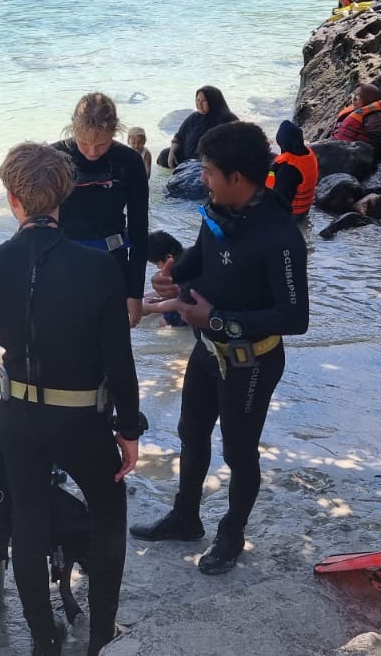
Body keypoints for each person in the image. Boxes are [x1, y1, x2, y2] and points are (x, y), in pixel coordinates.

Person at [0, 142, 141, 656]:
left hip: (21, 419)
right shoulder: (99, 267)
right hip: (85, 419)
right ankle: (101, 634)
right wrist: (129, 429)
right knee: (108, 514)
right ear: (64, 195)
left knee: (29, 521)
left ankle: (44, 636)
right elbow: (119, 363)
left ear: (12, 200)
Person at [131, 121, 309, 576]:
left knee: (239, 451)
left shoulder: (280, 237)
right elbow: (203, 251)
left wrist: (217, 320)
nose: (203, 179)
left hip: (252, 360)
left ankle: (231, 534)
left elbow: (295, 318)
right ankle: (185, 518)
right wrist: (175, 272)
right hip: (208, 351)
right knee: (191, 432)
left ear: (237, 178)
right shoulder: (219, 210)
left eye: (208, 171)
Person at [53, 93, 149, 329]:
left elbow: (139, 228)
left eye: (101, 143)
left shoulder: (129, 161)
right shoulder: (54, 158)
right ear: (73, 129)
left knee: (111, 345)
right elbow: (36, 220)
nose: (92, 152)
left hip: (110, 262)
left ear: (115, 132)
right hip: (61, 262)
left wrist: (135, 293)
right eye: (84, 143)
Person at [158, 86, 238, 169]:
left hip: (207, 161)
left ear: (213, 102)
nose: (199, 104)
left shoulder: (227, 119)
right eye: (198, 100)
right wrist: (172, 152)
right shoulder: (194, 117)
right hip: (187, 156)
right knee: (164, 155)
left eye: (203, 101)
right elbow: (178, 138)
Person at [267, 120, 319, 218]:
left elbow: (281, 200)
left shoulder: (289, 168)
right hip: (305, 209)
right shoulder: (307, 153)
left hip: (292, 214)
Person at [140, 230, 188, 327]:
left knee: (165, 320)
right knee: (147, 297)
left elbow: (182, 302)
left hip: (205, 306)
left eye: (157, 263)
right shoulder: (186, 256)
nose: (158, 267)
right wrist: (160, 301)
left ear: (168, 257)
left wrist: (150, 308)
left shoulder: (183, 270)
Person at [330, 82, 381, 146]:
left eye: (357, 97)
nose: (353, 99)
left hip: (350, 150)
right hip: (337, 145)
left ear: (369, 98)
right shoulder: (356, 111)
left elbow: (378, 139)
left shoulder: (373, 116)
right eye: (353, 96)